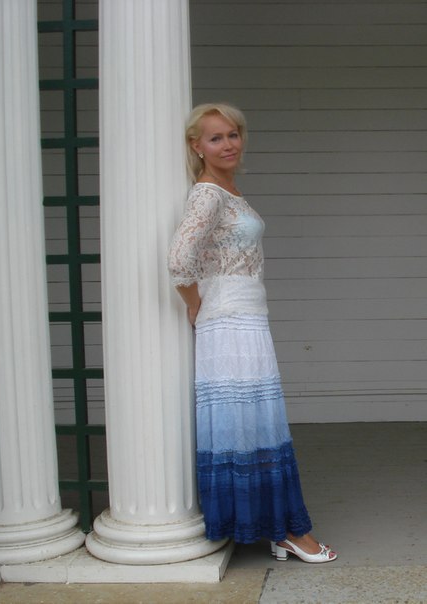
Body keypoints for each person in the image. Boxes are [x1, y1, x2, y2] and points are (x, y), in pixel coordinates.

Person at [167, 102, 337, 563]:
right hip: (229, 322)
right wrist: (196, 305)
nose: (228, 144)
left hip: (245, 315)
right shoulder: (207, 194)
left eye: (233, 134)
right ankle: (289, 530)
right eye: (216, 137)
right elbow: (179, 261)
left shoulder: (229, 192)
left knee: (257, 424)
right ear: (196, 146)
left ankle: (276, 528)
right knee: (251, 425)